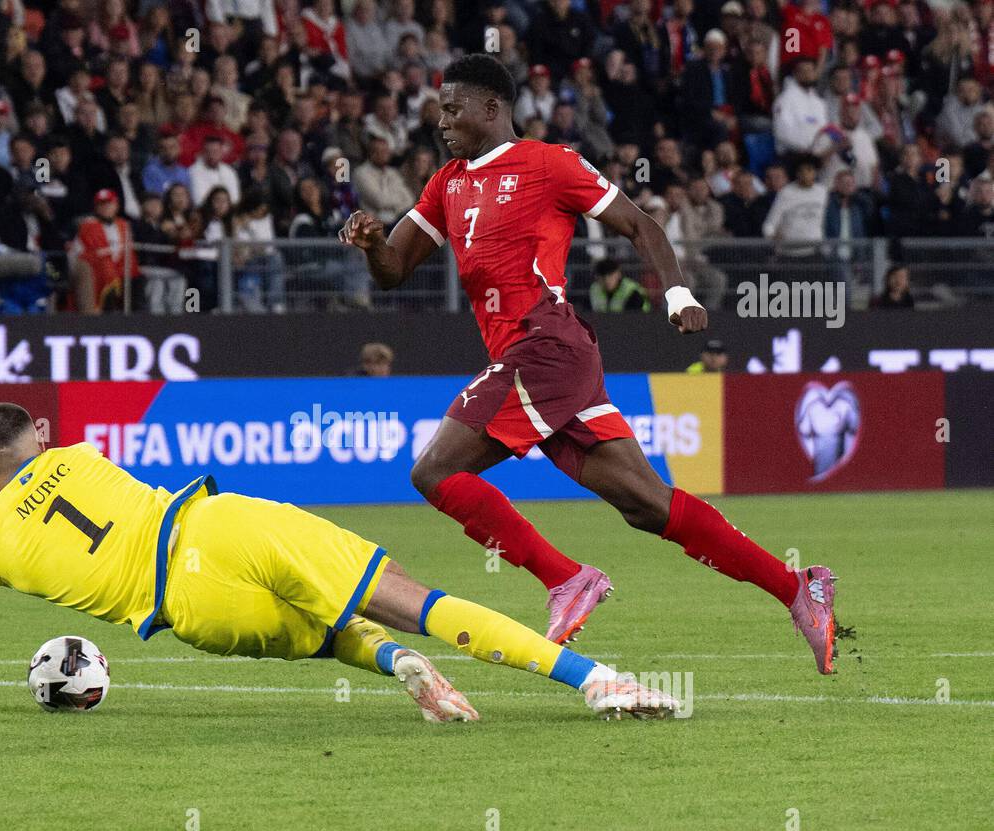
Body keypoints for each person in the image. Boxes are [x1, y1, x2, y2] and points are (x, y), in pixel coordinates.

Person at [339, 54, 840, 674]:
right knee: (647, 504)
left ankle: (566, 578)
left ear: (492, 108)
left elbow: (641, 224)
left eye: (452, 107)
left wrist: (679, 294)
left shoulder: (550, 165)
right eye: (439, 109)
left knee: (434, 472)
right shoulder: (448, 183)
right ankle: (799, 589)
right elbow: (394, 270)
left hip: (545, 345)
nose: (440, 119)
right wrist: (370, 246)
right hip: (545, 361)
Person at [0, 403, 682, 723]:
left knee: (330, 638)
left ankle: (391, 664)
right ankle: (596, 680)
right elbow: (41, 496)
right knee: (412, 598)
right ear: (43, 442)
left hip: (191, 612)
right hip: (216, 525)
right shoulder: (84, 455)